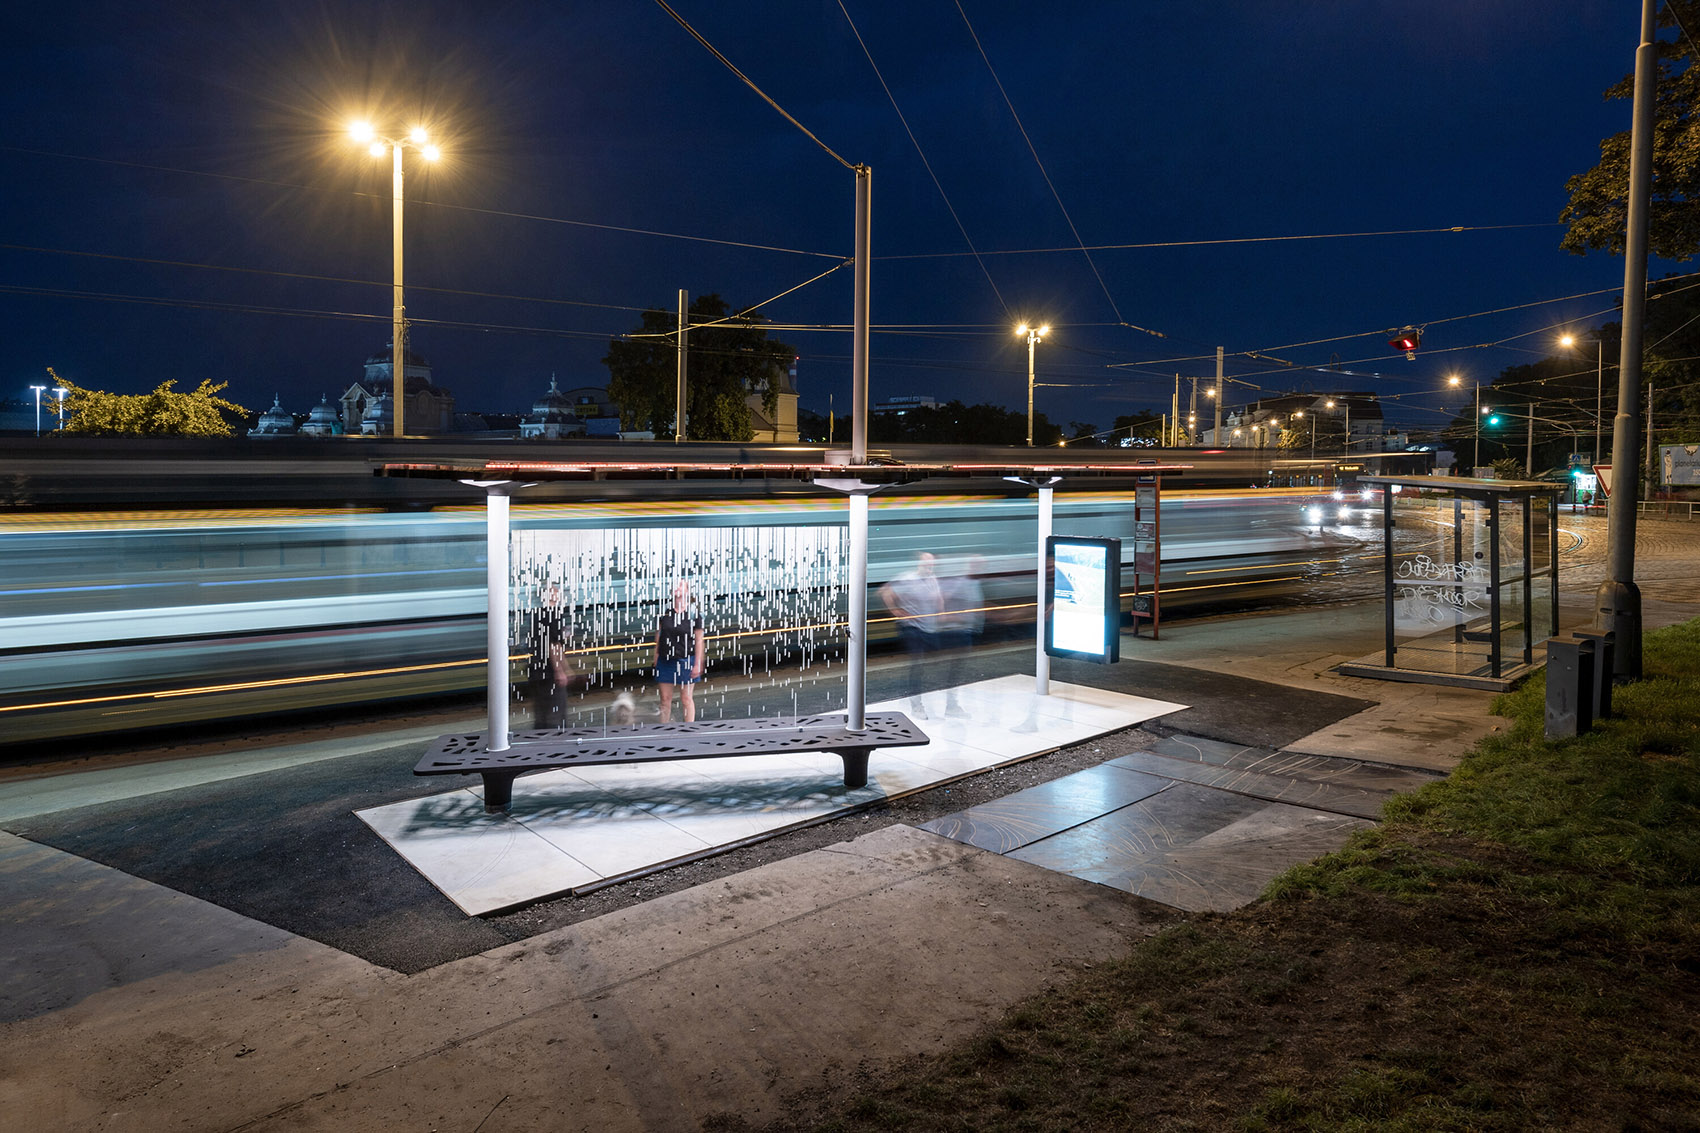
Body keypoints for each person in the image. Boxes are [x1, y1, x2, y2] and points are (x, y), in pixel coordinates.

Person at [879, 551, 944, 719]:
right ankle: (916, 705)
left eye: (931, 564)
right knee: (918, 665)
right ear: (919, 564)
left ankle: (908, 692)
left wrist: (941, 611)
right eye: (926, 564)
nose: (929, 567)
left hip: (929, 628)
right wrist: (895, 610)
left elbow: (938, 598)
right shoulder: (907, 578)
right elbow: (885, 591)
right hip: (912, 628)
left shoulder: (933, 579)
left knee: (932, 662)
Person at [526, 585, 577, 729]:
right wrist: (560, 671)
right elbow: (553, 646)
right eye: (555, 590)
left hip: (537, 670)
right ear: (548, 595)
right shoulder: (552, 614)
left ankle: (541, 741)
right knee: (555, 713)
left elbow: (550, 642)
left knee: (541, 712)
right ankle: (555, 743)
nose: (558, 593)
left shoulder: (537, 614)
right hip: (548, 672)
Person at [654, 579, 706, 722]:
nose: (677, 587)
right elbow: (659, 636)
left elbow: (699, 641)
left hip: (686, 660)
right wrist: (656, 657)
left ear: (687, 591)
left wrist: (697, 663)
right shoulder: (665, 612)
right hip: (666, 661)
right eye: (675, 585)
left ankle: (689, 730)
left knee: (686, 699)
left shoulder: (694, 614)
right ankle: (664, 731)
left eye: (681, 585)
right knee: (665, 700)